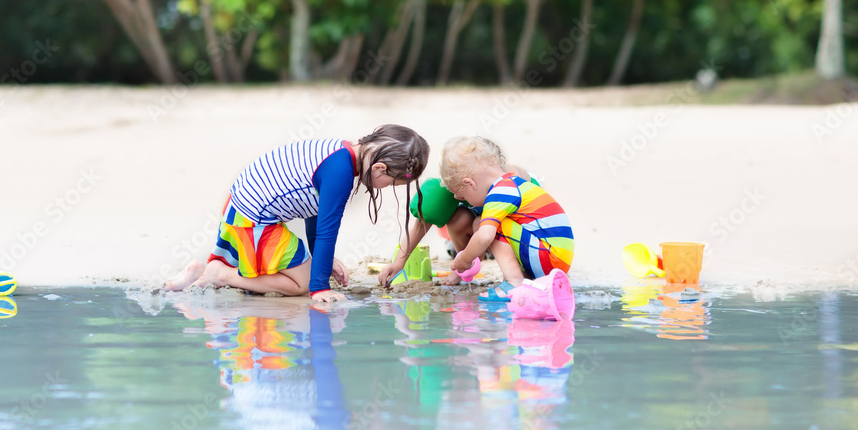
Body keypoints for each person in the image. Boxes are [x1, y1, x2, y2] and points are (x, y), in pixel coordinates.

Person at [165, 124, 429, 303]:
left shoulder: (342, 152)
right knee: (300, 285)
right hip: (252, 221)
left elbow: (314, 210)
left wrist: (321, 260)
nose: (388, 189)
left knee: (308, 269)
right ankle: (222, 275)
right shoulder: (340, 173)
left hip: (240, 207)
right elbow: (327, 229)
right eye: (393, 184)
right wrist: (319, 288)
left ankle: (200, 271)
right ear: (379, 168)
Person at [377, 139, 537, 287]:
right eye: (452, 191)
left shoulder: (509, 184)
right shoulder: (453, 184)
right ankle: (465, 268)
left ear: (470, 182)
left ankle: (513, 275)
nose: (455, 197)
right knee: (460, 220)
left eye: (460, 193)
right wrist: (398, 262)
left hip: (522, 236)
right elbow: (422, 223)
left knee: (480, 224)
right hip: (481, 232)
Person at [438, 136, 573, 301]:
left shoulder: (500, 192)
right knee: (481, 223)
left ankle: (513, 281)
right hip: (554, 260)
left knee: (483, 224)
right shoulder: (512, 184)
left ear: (470, 183)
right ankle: (522, 279)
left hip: (550, 259)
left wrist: (465, 259)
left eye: (464, 197)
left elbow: (485, 235)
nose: (467, 203)